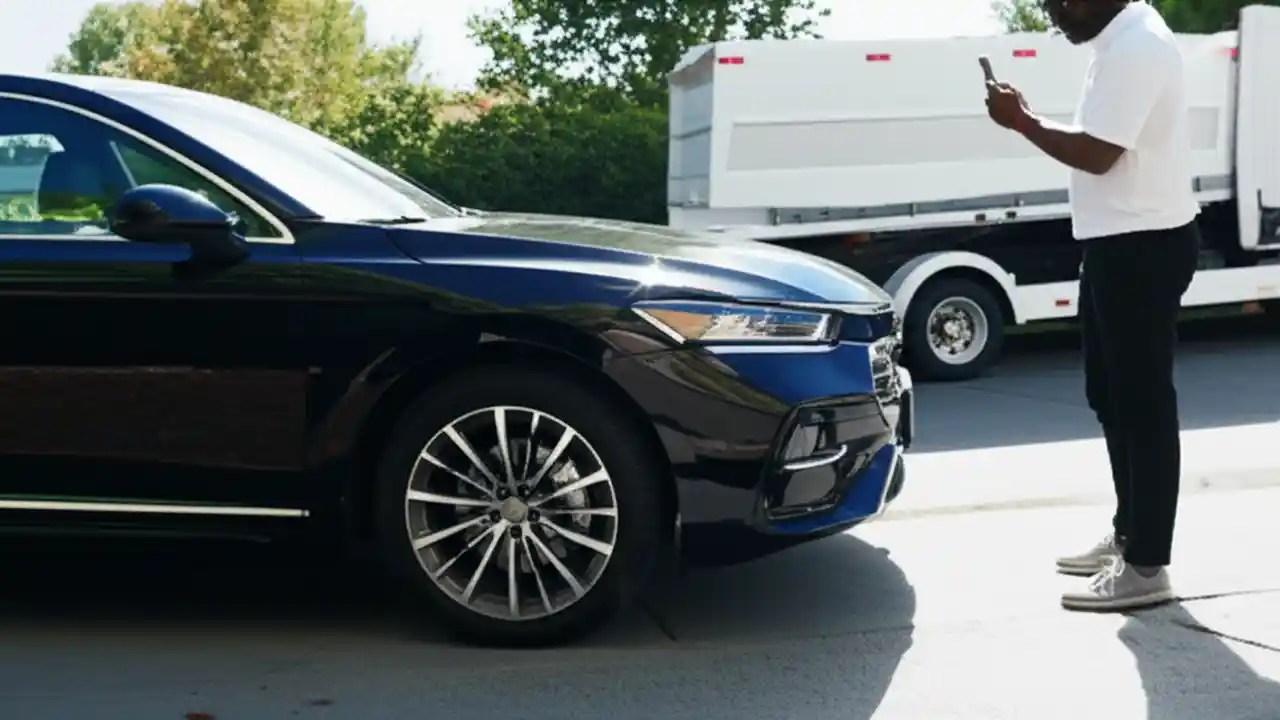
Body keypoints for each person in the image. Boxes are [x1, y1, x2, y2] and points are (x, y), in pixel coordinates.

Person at [984, 0, 1201, 612]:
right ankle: (1130, 532)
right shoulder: (1117, 43)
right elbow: (1101, 144)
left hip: (1143, 245)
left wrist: (1023, 123)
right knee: (1110, 395)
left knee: (1144, 404)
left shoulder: (1137, 48)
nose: (1053, 12)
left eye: (1061, 0)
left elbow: (1099, 154)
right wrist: (1029, 118)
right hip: (1116, 242)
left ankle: (1147, 566)